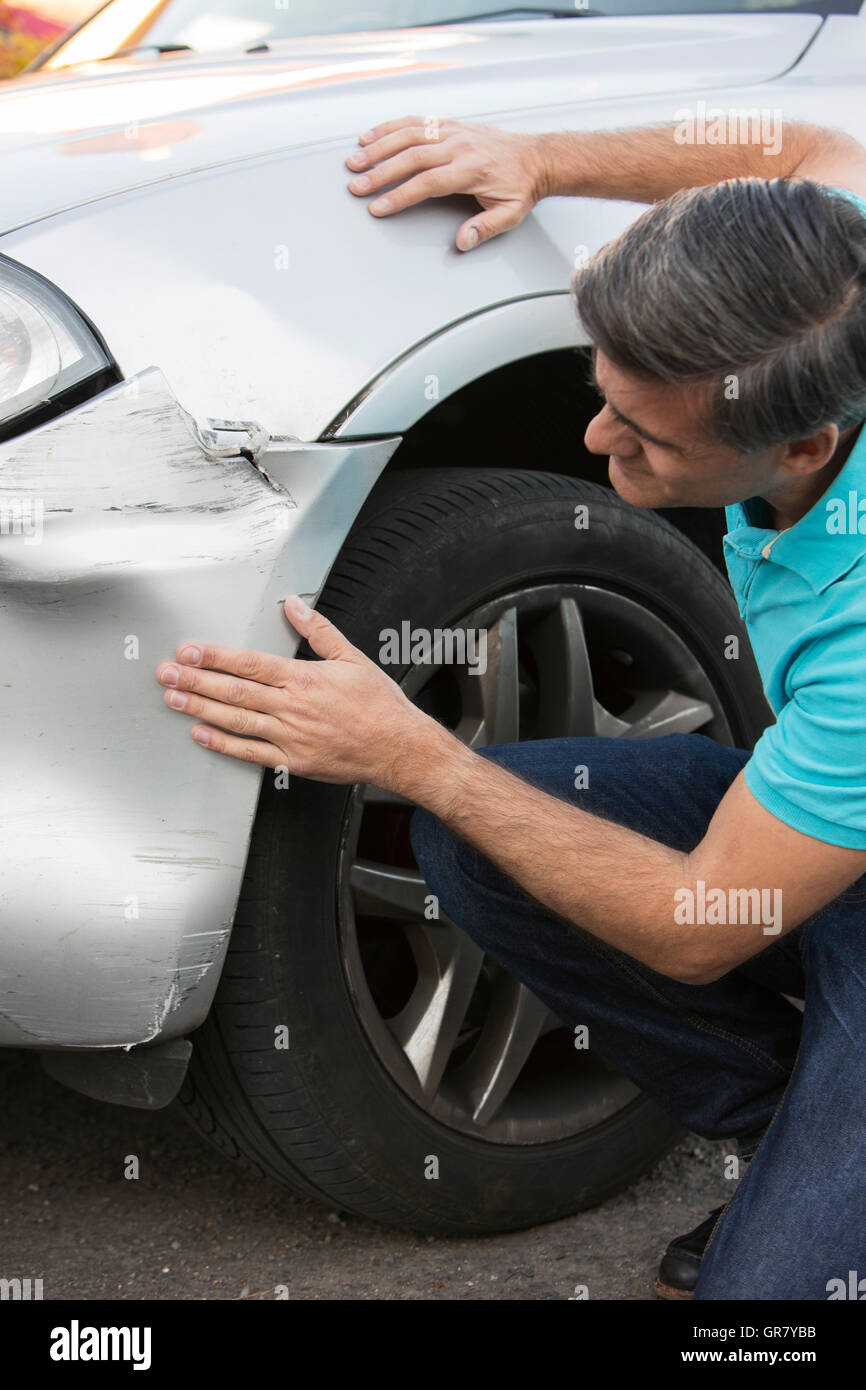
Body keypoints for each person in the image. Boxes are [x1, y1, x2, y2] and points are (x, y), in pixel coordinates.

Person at [155, 117, 866, 1300]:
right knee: (494, 841)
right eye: (603, 396)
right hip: (830, 824)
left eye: (642, 437)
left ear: (804, 442)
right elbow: (808, 147)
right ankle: (805, 1128)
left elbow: (700, 923)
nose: (594, 442)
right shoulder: (834, 275)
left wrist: (415, 752)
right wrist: (545, 161)